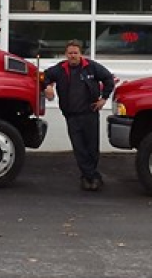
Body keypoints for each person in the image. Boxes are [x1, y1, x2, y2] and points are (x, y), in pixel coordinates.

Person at [43, 39, 115, 191]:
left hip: (90, 114)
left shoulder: (91, 67)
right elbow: (44, 76)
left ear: (81, 54)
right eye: (70, 53)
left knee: (92, 148)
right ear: (66, 54)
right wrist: (48, 87)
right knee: (79, 149)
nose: (73, 56)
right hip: (72, 116)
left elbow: (109, 79)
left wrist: (104, 99)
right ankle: (91, 177)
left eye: (75, 53)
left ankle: (89, 177)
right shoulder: (60, 69)